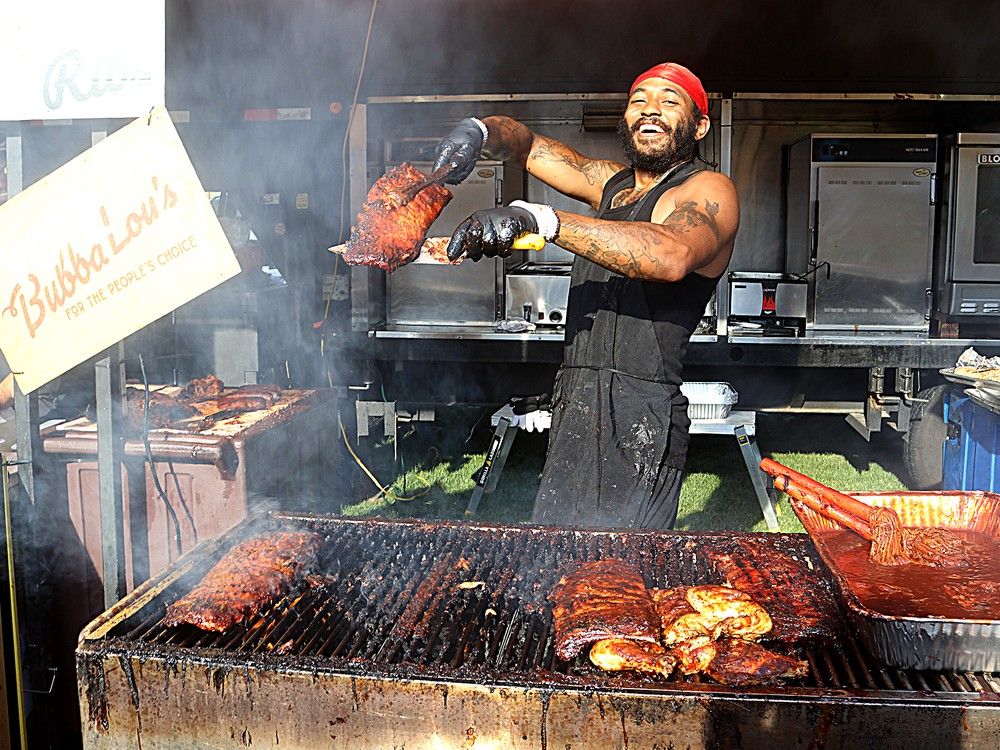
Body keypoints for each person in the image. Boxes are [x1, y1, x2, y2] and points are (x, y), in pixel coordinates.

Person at [433, 62, 739, 529]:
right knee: (556, 559)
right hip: (576, 401)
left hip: (643, 418)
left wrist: (545, 221)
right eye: (639, 101)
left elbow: (671, 253)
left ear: (699, 126)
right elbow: (529, 145)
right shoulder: (611, 187)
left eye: (669, 101)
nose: (650, 111)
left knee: (621, 580)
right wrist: (479, 130)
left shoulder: (708, 189)